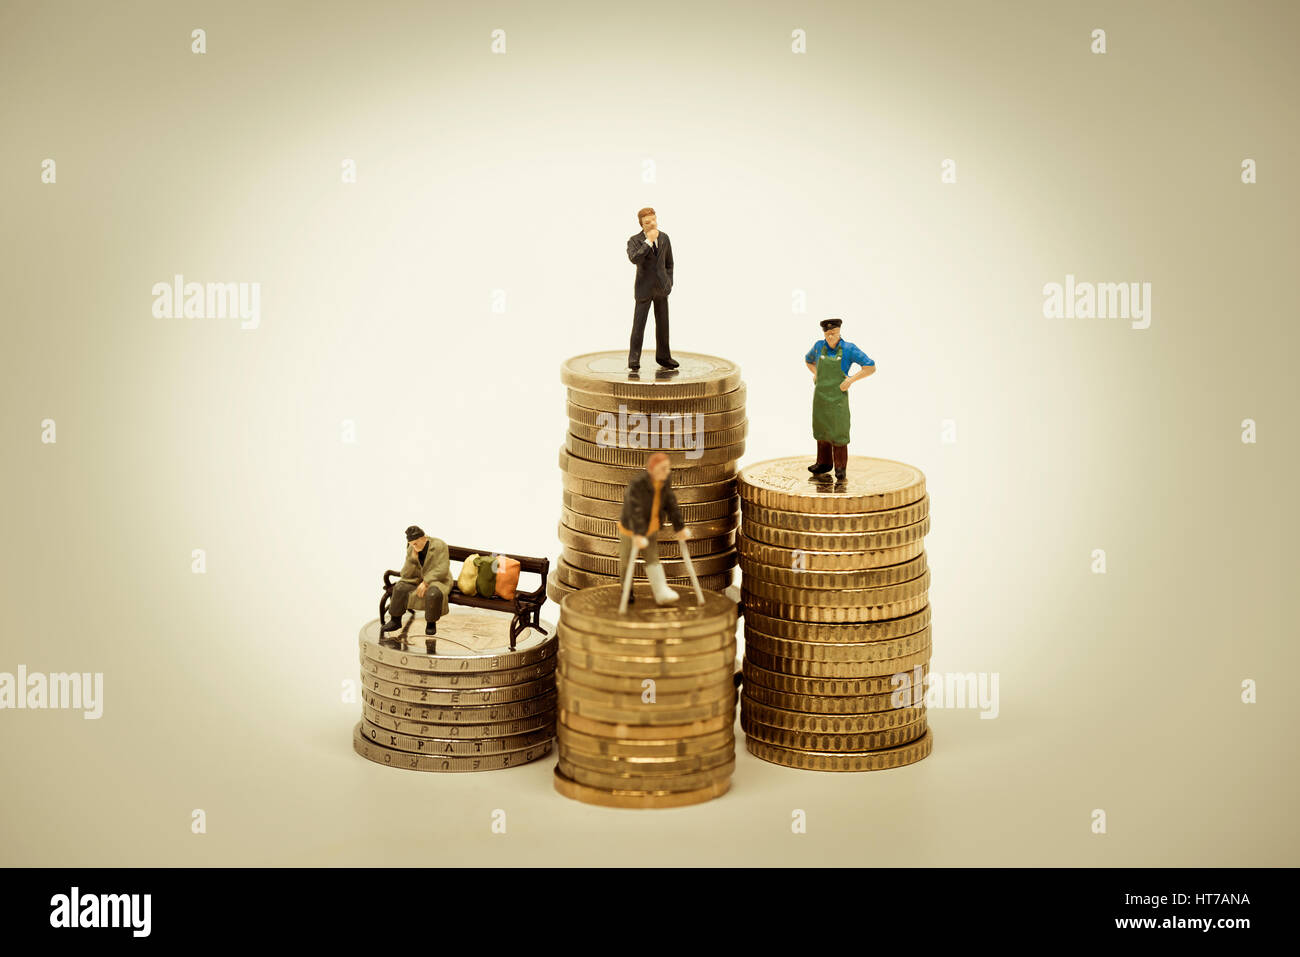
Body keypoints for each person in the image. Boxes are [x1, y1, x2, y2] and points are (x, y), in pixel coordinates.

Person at [804, 318, 876, 480]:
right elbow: (808, 360)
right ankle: (823, 463)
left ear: (839, 332)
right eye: (827, 334)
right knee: (821, 430)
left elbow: (870, 367)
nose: (830, 337)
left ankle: (840, 467)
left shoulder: (849, 349)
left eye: (833, 333)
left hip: (838, 398)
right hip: (820, 397)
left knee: (839, 432)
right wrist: (816, 373)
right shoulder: (818, 347)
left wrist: (850, 380)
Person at [617, 451, 693, 604]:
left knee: (652, 560)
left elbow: (671, 505)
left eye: (668, 468)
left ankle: (661, 592)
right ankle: (627, 591)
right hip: (630, 530)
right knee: (626, 562)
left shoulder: (664, 482)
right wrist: (638, 534)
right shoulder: (637, 485)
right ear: (652, 469)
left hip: (651, 529)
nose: (667, 472)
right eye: (663, 468)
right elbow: (634, 510)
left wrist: (680, 527)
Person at [625, 207, 678, 371]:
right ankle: (634, 359)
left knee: (663, 325)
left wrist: (669, 282)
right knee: (639, 325)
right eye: (647, 222)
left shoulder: (664, 238)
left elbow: (669, 263)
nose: (652, 223)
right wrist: (648, 242)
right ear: (641, 224)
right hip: (644, 289)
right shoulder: (634, 240)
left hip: (662, 288)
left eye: (654, 219)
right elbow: (635, 258)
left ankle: (664, 356)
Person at [382, 525, 452, 637]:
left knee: (433, 593)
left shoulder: (439, 545)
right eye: (411, 544)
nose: (413, 546)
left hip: (438, 579)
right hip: (416, 579)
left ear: (423, 538)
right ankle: (395, 620)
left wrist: (426, 582)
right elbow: (405, 574)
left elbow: (442, 569)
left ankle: (431, 623)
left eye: (415, 543)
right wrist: (412, 559)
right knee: (400, 587)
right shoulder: (412, 548)